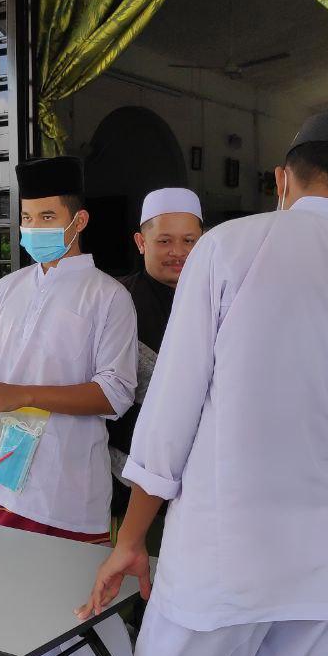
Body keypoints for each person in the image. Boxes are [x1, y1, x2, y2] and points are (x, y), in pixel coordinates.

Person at [77, 112, 328, 656]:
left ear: (281, 180)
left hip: (217, 564)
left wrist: (131, 541)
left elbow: (170, 415)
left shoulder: (226, 248)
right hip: (325, 572)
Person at [0, 156, 137, 656]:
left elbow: (115, 392)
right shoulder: (9, 288)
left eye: (47, 216)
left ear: (79, 221)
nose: (34, 228)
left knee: (82, 611)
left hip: (67, 484)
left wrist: (24, 394)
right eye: (27, 217)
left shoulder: (108, 297)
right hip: (7, 470)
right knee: (21, 614)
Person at [107, 188, 204, 520]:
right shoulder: (116, 301)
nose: (178, 252)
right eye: (164, 241)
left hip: (202, 484)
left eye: (189, 241)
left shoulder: (223, 299)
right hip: (128, 480)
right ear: (140, 242)